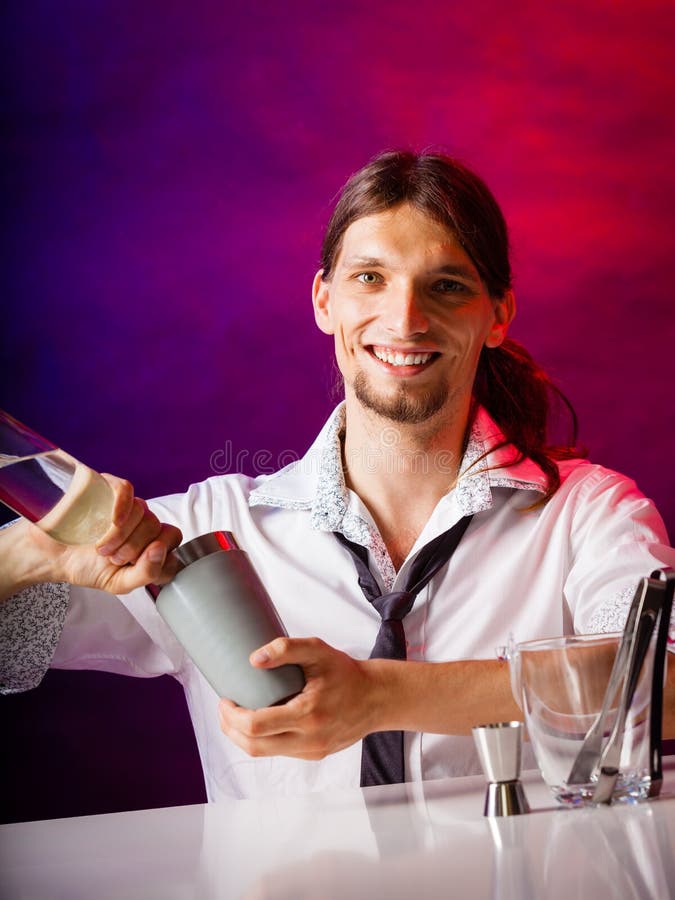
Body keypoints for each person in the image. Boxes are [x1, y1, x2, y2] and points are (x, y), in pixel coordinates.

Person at [1, 151, 674, 802]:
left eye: (446, 285)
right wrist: (25, 555)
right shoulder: (203, 537)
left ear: (496, 314)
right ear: (324, 301)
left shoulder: (587, 513)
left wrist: (380, 696)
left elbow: (664, 684)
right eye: (370, 278)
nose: (405, 318)